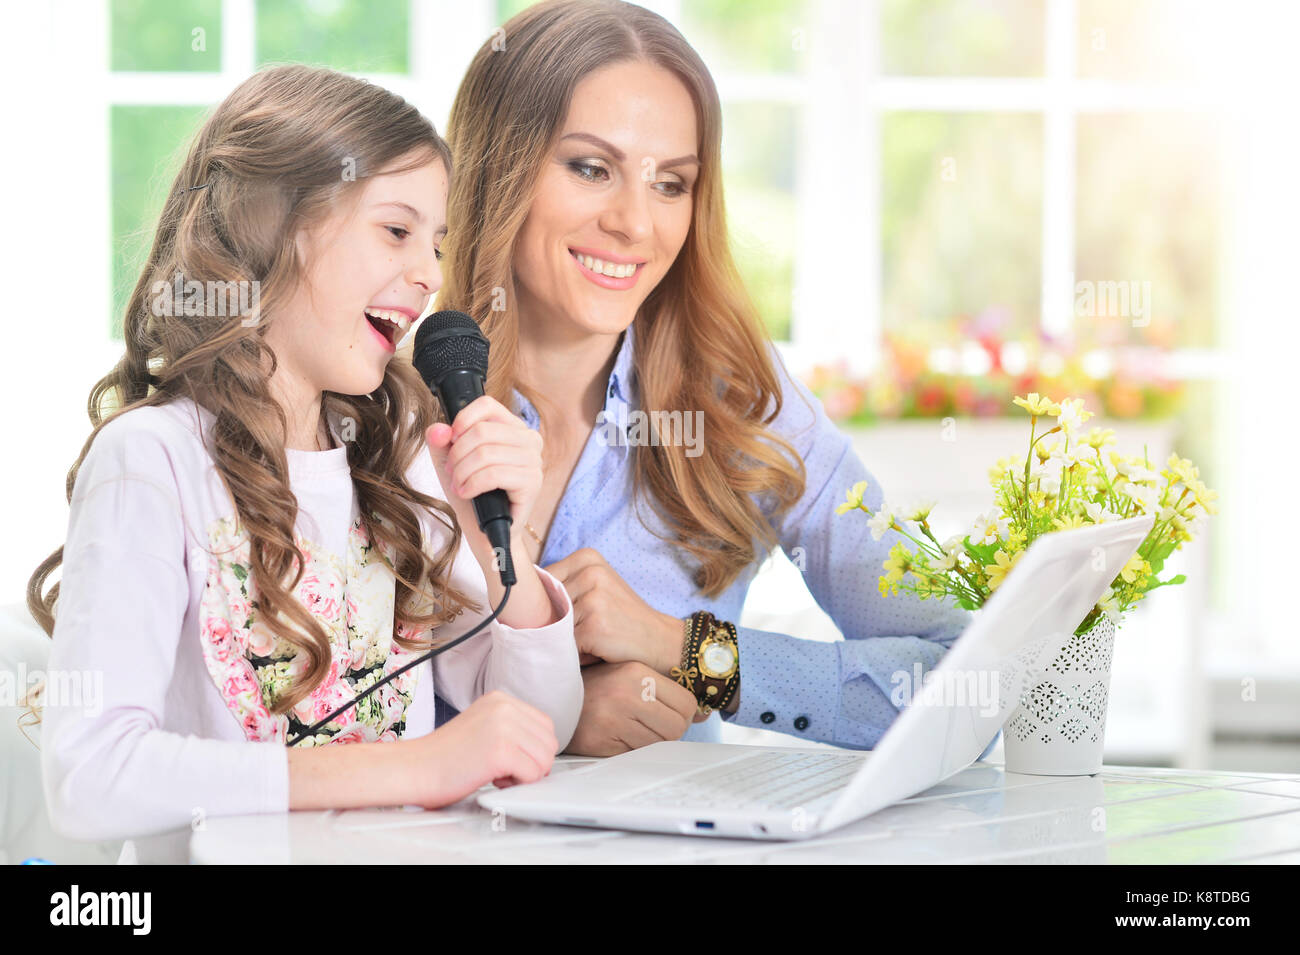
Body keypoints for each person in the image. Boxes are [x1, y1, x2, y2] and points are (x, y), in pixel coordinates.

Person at [24, 64, 582, 853]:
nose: (429, 274)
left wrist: (505, 553)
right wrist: (415, 767)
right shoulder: (152, 461)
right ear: (272, 227)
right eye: (396, 230)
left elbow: (540, 727)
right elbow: (90, 776)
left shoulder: (397, 463)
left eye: (438, 244)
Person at [419, 0, 996, 758]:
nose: (635, 222)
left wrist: (688, 650)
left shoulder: (741, 408)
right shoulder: (384, 404)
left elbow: (964, 681)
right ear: (500, 170)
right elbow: (303, 712)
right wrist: (551, 718)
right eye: (591, 168)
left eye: (671, 183)